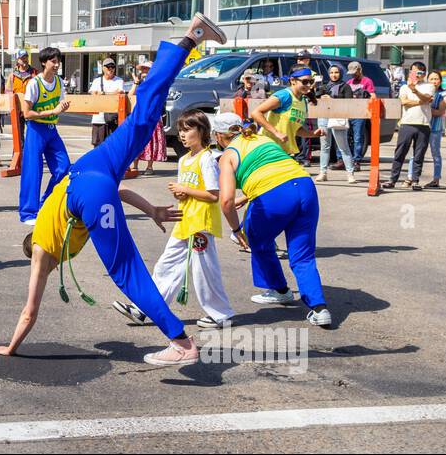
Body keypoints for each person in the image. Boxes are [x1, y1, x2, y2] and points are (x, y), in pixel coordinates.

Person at [0, 14, 225, 366]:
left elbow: (28, 313)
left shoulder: (40, 255)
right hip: (91, 169)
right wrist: (152, 210)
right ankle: (190, 38)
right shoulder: (56, 229)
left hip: (86, 189)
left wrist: (10, 347)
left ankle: (182, 343)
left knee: (126, 270)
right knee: (143, 118)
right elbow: (117, 195)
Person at [113, 108, 235, 330]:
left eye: (187, 130)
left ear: (202, 131)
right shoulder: (184, 160)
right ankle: (144, 309)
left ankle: (221, 314)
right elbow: (190, 190)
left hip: (200, 224)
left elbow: (213, 194)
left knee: (204, 271)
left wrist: (184, 189)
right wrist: (181, 193)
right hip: (185, 220)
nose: (182, 134)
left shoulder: (207, 158)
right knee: (165, 266)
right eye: (180, 130)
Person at [217, 111, 333, 327]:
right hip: (305, 187)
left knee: (257, 239)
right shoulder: (261, 138)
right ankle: (319, 308)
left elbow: (225, 201)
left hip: (274, 196)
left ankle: (279, 290)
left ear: (218, 135)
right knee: (303, 255)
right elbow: (275, 171)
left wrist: (235, 230)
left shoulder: (228, 155)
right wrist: (249, 195)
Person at [17, 47, 73, 224]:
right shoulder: (35, 83)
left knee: (64, 168)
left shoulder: (59, 82)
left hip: (51, 130)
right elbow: (26, 113)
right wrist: (52, 111)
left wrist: (62, 108)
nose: (57, 65)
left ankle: (45, 203)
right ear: (43, 62)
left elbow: (60, 103)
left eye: (58, 61)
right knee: (33, 171)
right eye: (53, 61)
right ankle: (27, 213)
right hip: (35, 130)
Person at [249, 67, 323, 164]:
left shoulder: (303, 101)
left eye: (311, 81)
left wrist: (312, 134)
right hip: (268, 148)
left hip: (284, 152)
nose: (309, 85)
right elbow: (256, 113)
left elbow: (295, 129)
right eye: (305, 82)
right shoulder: (284, 95)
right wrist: (276, 132)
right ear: (293, 81)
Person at [381, 61, 434, 192]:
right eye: (414, 71)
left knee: (419, 154)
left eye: (420, 72)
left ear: (424, 74)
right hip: (406, 123)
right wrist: (420, 101)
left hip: (423, 124)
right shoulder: (404, 87)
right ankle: (393, 179)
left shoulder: (429, 86)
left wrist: (415, 90)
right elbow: (404, 102)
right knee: (400, 153)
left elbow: (427, 98)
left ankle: (415, 180)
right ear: (410, 72)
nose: (417, 74)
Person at [317, 63, 357, 183]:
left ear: (341, 73)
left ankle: (350, 173)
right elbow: (314, 98)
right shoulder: (324, 86)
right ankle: (322, 172)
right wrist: (318, 95)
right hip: (323, 117)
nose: (334, 75)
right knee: (324, 147)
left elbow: (348, 103)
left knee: (343, 147)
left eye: (336, 72)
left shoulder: (345, 87)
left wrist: (332, 100)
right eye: (331, 73)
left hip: (338, 118)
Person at [88, 58, 125, 147]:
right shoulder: (97, 81)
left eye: (112, 66)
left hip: (113, 120)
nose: (111, 69)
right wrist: (112, 94)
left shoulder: (119, 80)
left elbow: (119, 93)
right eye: (108, 67)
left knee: (113, 147)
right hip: (98, 119)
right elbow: (93, 95)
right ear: (103, 68)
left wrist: (103, 93)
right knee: (98, 147)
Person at [346, 61, 376, 169]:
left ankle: (357, 160)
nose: (353, 75)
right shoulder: (349, 82)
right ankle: (347, 160)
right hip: (349, 112)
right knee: (347, 137)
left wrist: (364, 96)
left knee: (358, 137)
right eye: (351, 73)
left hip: (360, 113)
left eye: (355, 72)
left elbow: (373, 96)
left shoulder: (367, 81)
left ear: (360, 70)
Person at [422, 70, 446, 188]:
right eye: (431, 79)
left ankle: (436, 179)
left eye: (436, 79)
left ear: (440, 81)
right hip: (421, 125)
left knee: (435, 153)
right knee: (416, 153)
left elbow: (440, 112)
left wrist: (424, 108)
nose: (434, 81)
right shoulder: (422, 92)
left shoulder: (444, 94)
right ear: (427, 80)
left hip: (435, 127)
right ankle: (411, 177)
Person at [9, 49, 34, 148]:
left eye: (25, 57)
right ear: (17, 60)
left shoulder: (34, 73)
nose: (24, 59)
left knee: (33, 134)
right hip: (18, 110)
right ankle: (18, 155)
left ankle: (32, 155)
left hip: (31, 109)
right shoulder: (13, 75)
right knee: (18, 135)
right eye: (21, 58)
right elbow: (8, 91)